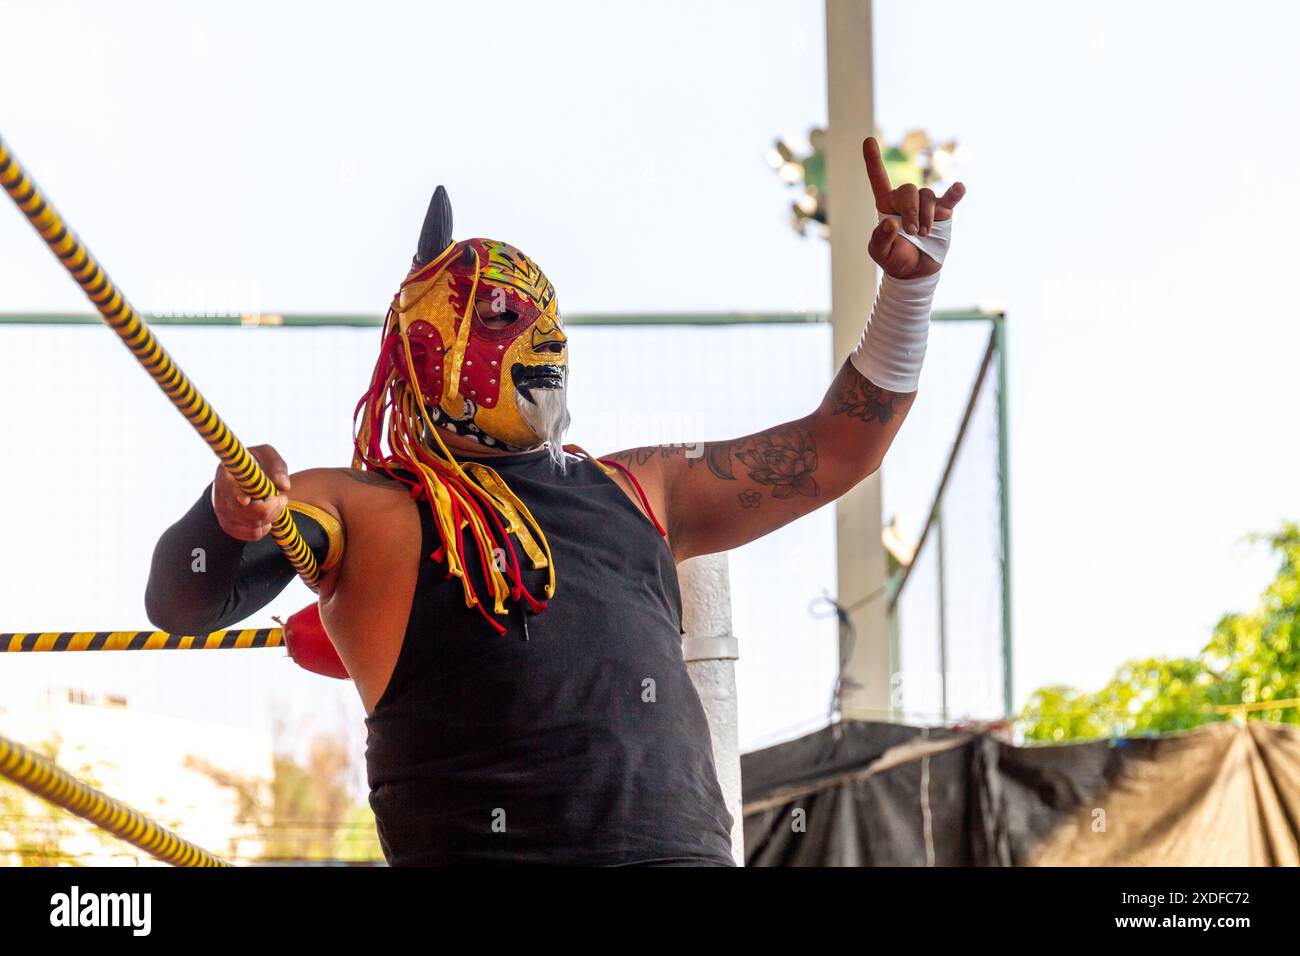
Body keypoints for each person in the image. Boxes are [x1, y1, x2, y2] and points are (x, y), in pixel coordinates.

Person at [145, 137, 963, 865]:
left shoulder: (641, 487)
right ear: (423, 344)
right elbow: (182, 599)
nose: (542, 336)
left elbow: (837, 448)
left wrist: (908, 295)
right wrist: (229, 511)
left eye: (547, 317)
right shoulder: (366, 506)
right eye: (502, 312)